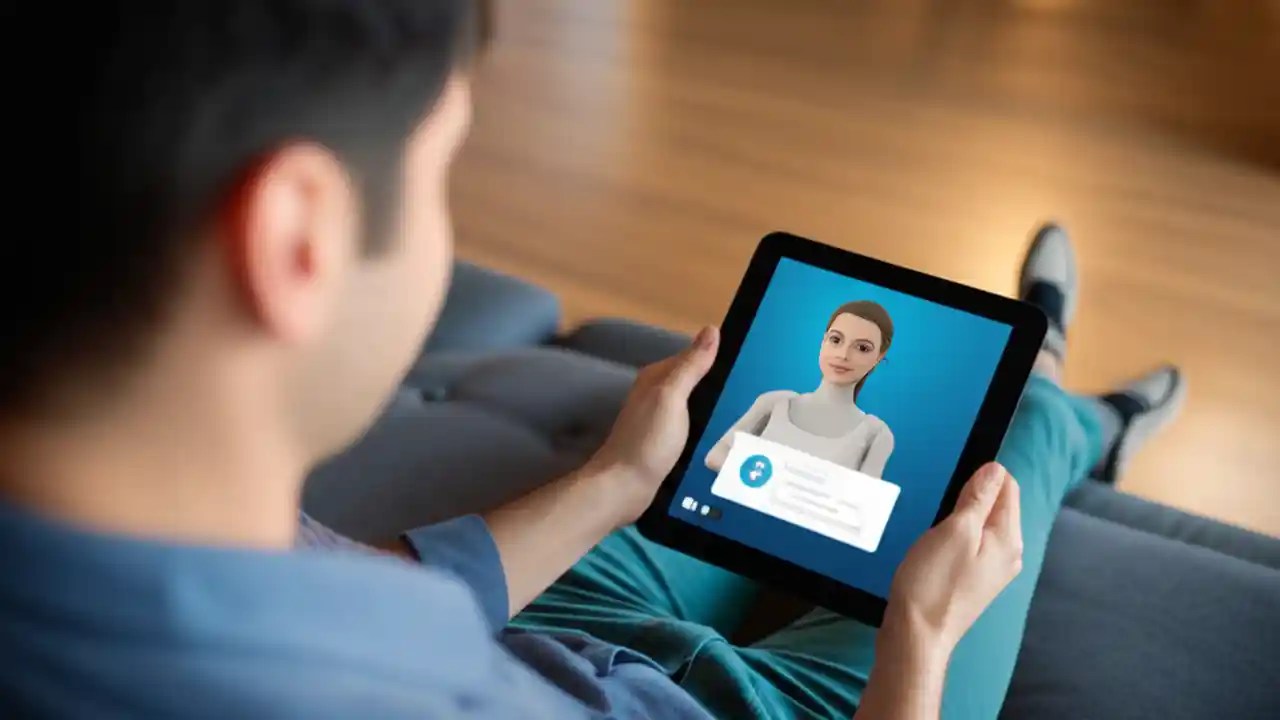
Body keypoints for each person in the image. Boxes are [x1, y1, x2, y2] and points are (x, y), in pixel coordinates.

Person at [0, 2, 1187, 718]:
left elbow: (362, 583)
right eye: (440, 170)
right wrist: (916, 648)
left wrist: (612, 481)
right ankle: (1071, 413)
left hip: (550, 628)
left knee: (708, 492)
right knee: (1001, 468)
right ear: (296, 238)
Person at [706, 300, 896, 478]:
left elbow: (862, 504)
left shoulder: (877, 433)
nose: (843, 355)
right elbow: (716, 455)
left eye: (862, 348)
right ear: (823, 341)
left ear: (879, 356)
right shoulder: (776, 402)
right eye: (836, 340)